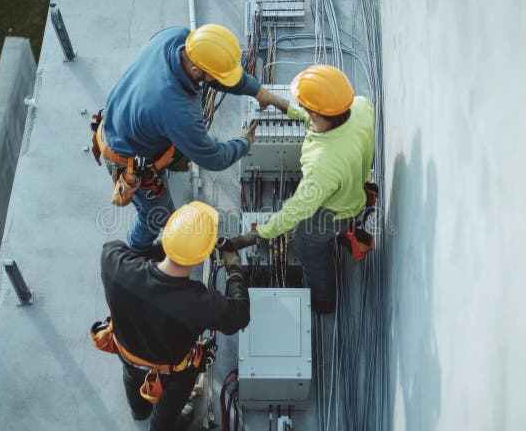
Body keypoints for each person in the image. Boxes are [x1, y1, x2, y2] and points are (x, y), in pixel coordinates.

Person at [92, 23, 286, 253]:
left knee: (183, 136)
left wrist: (258, 91)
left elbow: (215, 75)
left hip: (124, 118)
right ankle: (136, 251)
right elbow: (214, 159)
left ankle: (171, 158)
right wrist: (246, 142)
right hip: (126, 157)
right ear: (195, 71)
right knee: (157, 215)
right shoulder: (177, 110)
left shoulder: (176, 37)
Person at [96, 201, 249, 431]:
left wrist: (167, 248)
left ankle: (139, 410)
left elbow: (124, 248)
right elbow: (239, 316)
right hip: (172, 373)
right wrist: (234, 268)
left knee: (132, 376)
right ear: (203, 254)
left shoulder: (114, 264)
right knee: (169, 409)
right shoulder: (199, 303)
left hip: (127, 353)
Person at [237, 65, 375, 313]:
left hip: (334, 212)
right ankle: (347, 231)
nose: (304, 111)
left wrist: (264, 233)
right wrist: (278, 103)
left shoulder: (322, 165)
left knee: (305, 244)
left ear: (317, 114)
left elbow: (296, 211)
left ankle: (322, 300)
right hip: (355, 186)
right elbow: (319, 122)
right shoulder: (361, 106)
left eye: (306, 108)